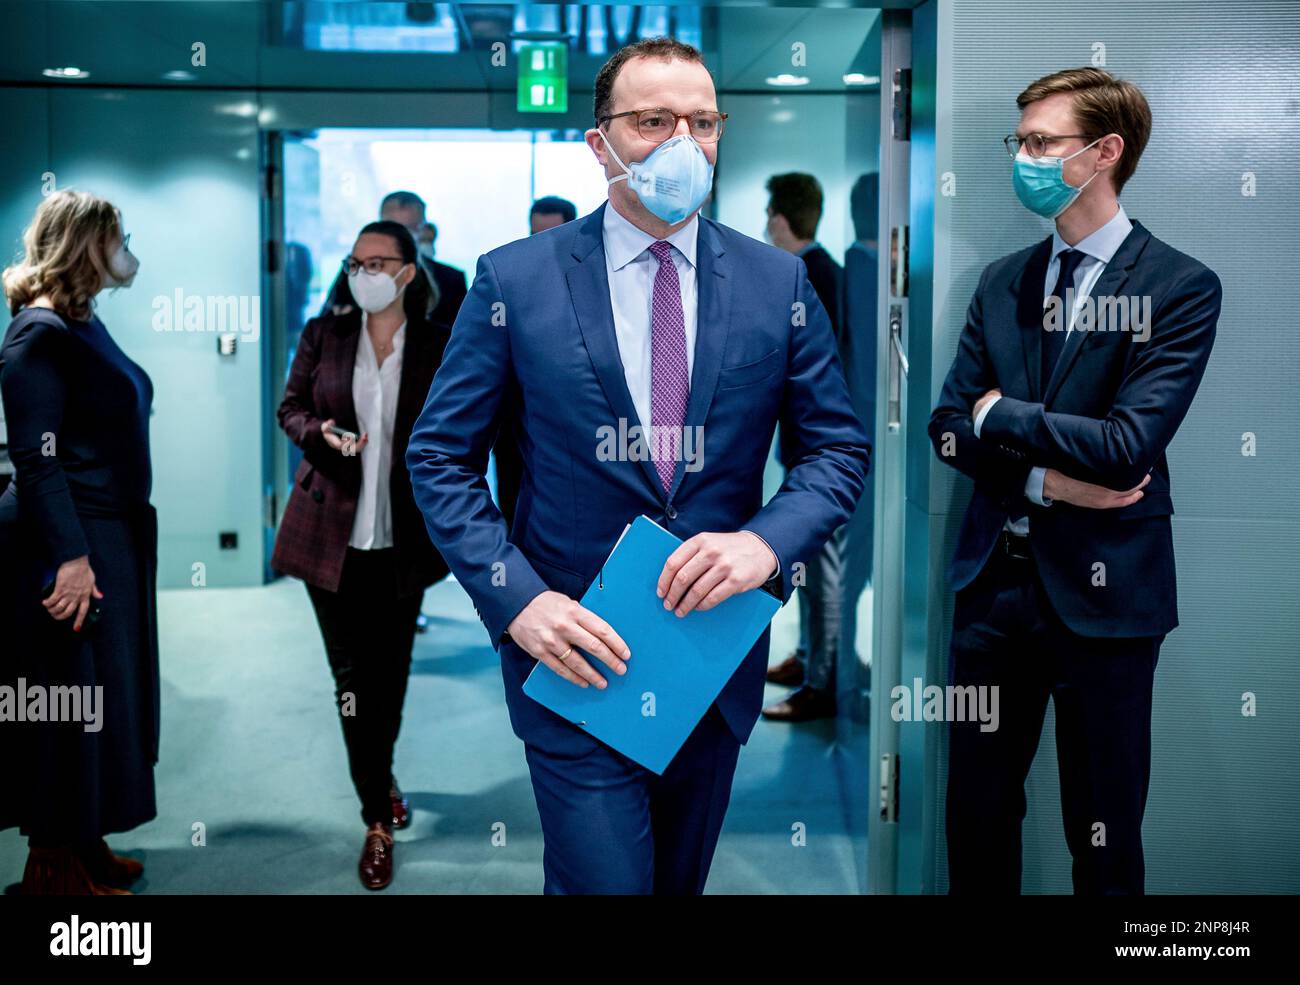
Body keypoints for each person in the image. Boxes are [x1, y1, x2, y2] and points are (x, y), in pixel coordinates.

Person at [406, 36, 870, 894]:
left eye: (702, 121)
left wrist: (766, 545)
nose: (682, 142)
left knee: (675, 881)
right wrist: (519, 600)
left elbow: (837, 448)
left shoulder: (778, 284)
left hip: (712, 643)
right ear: (600, 142)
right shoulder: (518, 280)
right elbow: (439, 456)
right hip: (574, 646)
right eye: (653, 121)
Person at [929, 67, 1220, 894]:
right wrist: (1045, 484)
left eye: (1040, 143)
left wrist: (1000, 415)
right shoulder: (1002, 282)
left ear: (1105, 153)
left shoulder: (1179, 286)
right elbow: (947, 430)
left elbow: (1128, 446)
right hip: (991, 592)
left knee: (1101, 823)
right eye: (1018, 141)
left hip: (1108, 600)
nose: (1021, 156)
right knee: (977, 812)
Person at [271, 220, 451, 890]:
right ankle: (376, 814)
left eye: (379, 262)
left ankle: (381, 770)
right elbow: (290, 408)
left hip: (402, 541)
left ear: (408, 271)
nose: (364, 273)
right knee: (351, 680)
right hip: (329, 539)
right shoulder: (326, 335)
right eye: (355, 261)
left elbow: (462, 431)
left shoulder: (437, 345)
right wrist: (320, 432)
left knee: (390, 673)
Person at [0, 190, 156, 894]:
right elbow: (37, 457)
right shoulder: (39, 333)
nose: (128, 248)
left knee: (104, 694)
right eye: (118, 236)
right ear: (86, 243)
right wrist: (69, 558)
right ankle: (51, 865)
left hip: (106, 531)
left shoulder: (79, 319)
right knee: (69, 699)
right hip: (70, 540)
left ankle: (84, 839)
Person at [760, 172, 847, 723]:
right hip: (805, 454)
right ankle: (811, 659)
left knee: (825, 571)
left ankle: (824, 681)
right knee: (812, 572)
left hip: (823, 460)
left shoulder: (812, 278)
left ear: (779, 219)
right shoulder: (817, 273)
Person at [380, 192, 467, 328]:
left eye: (411, 229)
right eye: (393, 229)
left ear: (425, 230)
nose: (402, 237)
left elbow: (460, 337)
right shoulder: (353, 273)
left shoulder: (451, 280)